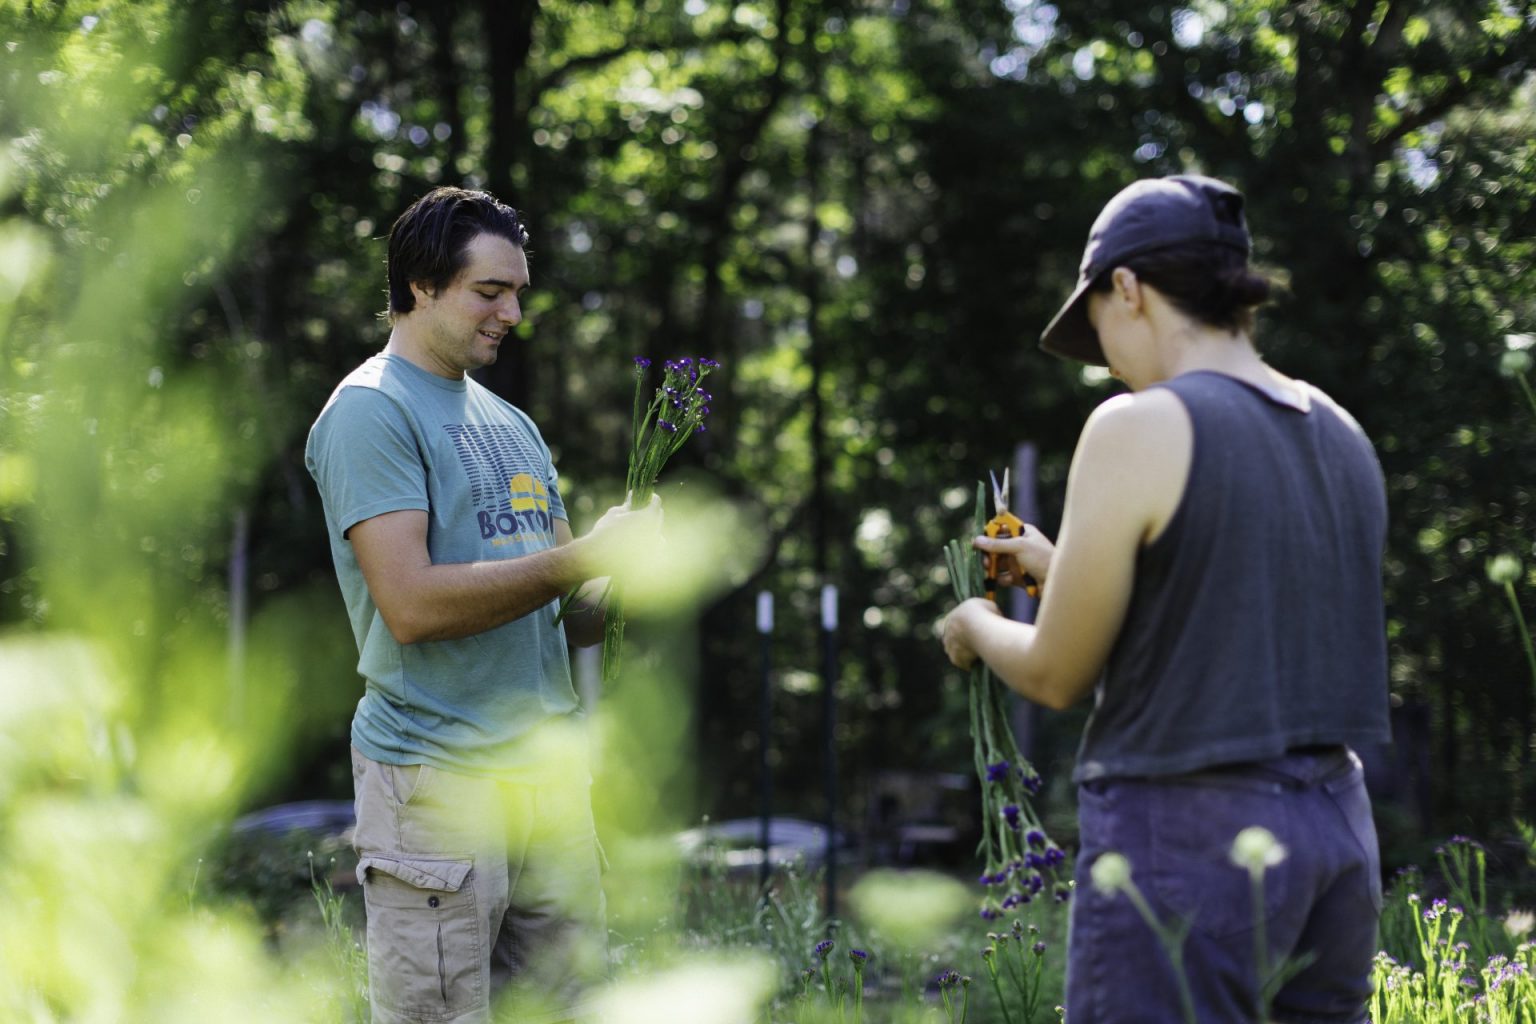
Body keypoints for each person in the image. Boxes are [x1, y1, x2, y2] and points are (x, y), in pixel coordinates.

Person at [941, 175, 1390, 1023]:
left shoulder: (1135, 424)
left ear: (1128, 288)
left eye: (1100, 330)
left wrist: (973, 624)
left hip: (1189, 836)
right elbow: (1230, 622)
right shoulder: (1339, 431)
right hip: (1338, 833)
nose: (1108, 363)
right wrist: (1060, 566)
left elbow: (1056, 675)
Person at [306, 186, 659, 1024]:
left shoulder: (512, 424)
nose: (512, 314)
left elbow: (568, 608)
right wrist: (583, 557)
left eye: (519, 293)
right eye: (490, 292)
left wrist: (624, 579)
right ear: (422, 285)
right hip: (437, 782)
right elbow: (411, 607)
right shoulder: (372, 411)